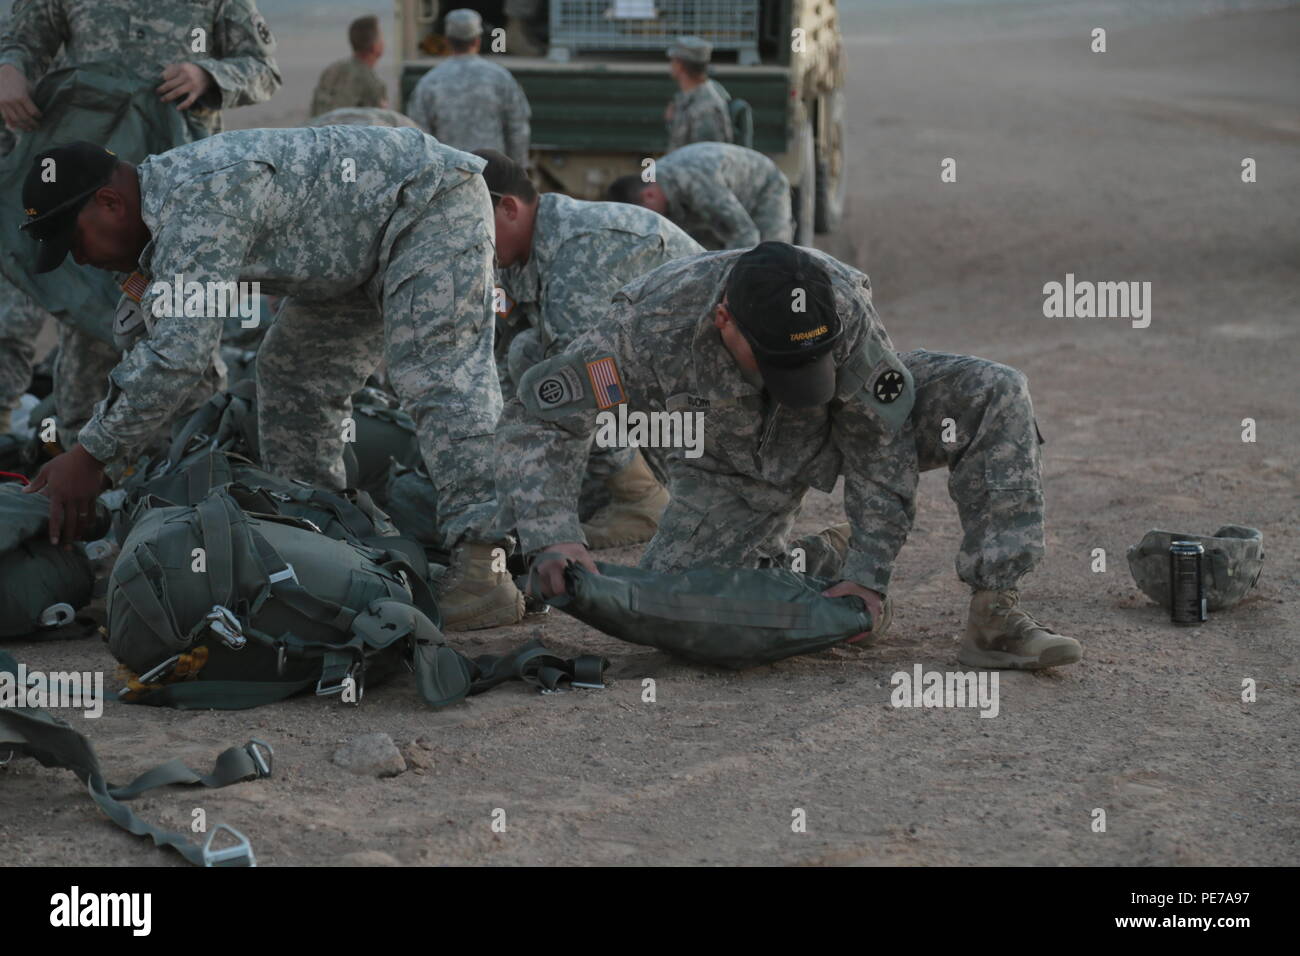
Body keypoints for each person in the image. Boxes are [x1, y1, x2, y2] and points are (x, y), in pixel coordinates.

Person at [17, 129, 525, 631]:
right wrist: (109, 462)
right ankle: (328, 538)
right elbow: (164, 357)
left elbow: (180, 355)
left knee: (438, 372)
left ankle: (486, 568)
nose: (80, 259)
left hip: (430, 205)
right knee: (291, 372)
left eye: (75, 241)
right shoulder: (164, 227)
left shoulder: (199, 202)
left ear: (109, 202)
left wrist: (90, 454)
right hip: (354, 254)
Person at [496, 242, 1082, 671]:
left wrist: (870, 578)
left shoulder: (840, 303)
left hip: (833, 423)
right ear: (724, 320)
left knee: (995, 390)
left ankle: (995, 615)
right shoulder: (648, 327)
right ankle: (812, 560)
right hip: (732, 468)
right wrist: (553, 534)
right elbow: (542, 419)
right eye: (773, 362)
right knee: (680, 616)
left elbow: (879, 444)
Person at [0, 0, 280, 438]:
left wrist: (208, 75)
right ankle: (85, 469)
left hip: (183, 196)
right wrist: (11, 70)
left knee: (182, 327)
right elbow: (24, 43)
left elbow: (264, 70)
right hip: (90, 197)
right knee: (89, 332)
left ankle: (189, 476)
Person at [477, 148, 702, 548]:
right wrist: (507, 471)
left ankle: (641, 498)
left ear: (508, 208)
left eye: (474, 225)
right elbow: (497, 360)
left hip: (695, 406)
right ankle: (624, 481)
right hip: (645, 397)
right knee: (528, 356)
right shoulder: (519, 256)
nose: (469, 241)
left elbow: (589, 377)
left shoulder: (579, 248)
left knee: (544, 362)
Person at [607, 142, 790, 250]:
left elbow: (744, 233)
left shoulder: (697, 185)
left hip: (764, 187)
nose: (651, 222)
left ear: (649, 195)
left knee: (772, 256)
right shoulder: (658, 181)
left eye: (647, 215)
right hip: (726, 194)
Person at [407, 9, 531, 166]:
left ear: (447, 40)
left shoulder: (429, 82)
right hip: (492, 175)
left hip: (450, 178)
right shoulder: (500, 78)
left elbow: (419, 137)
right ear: (477, 40)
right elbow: (518, 129)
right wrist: (517, 173)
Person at [309, 14, 388, 118]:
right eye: (381, 38)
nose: (384, 42)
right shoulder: (372, 82)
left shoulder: (331, 71)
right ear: (375, 46)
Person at [664, 36, 733, 151]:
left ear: (679, 65)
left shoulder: (706, 108)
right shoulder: (688, 96)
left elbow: (709, 158)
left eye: (673, 60)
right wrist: (670, 121)